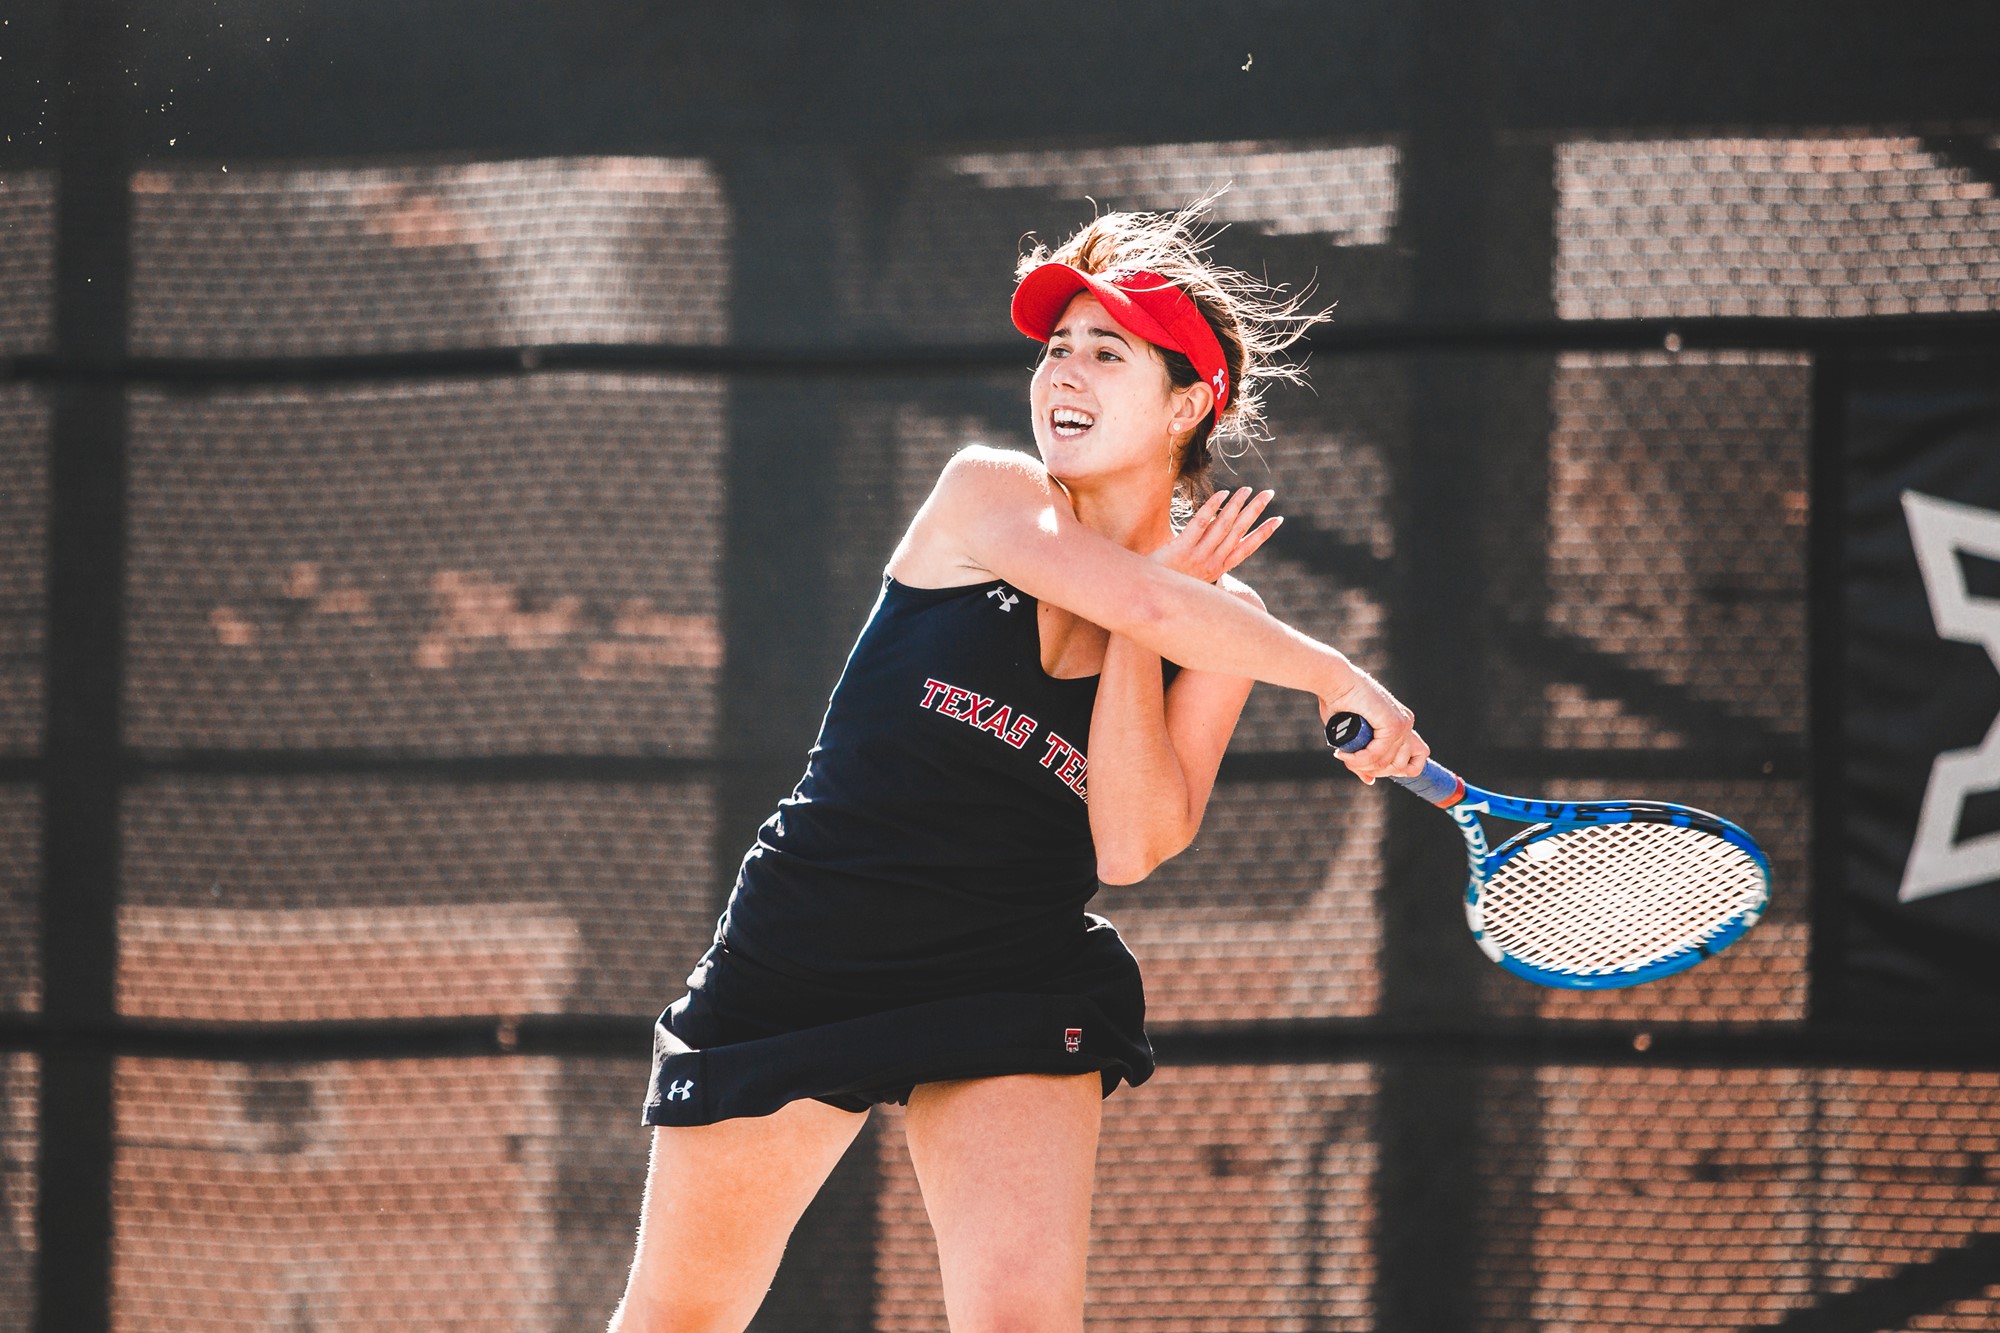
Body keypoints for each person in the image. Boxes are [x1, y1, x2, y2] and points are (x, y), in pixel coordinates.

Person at [608, 204, 1429, 1333]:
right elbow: (1136, 590)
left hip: (1007, 963)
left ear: (1188, 402)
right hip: (810, 941)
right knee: (679, 1317)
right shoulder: (987, 492)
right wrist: (1336, 672)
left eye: (1108, 352)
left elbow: (1130, 843)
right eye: (1056, 349)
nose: (1065, 373)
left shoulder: (1220, 624)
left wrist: (1165, 630)